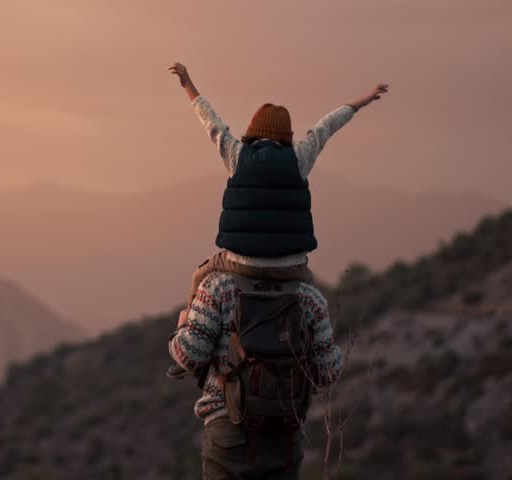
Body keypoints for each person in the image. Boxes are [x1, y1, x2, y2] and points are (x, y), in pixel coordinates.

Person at [165, 61, 387, 479]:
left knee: (200, 275)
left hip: (236, 266)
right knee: (307, 295)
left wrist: (189, 84)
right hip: (291, 274)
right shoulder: (308, 299)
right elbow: (326, 126)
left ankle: (185, 325)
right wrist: (360, 102)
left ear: (251, 133)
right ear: (286, 137)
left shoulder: (237, 155)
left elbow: (211, 123)